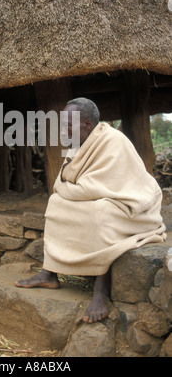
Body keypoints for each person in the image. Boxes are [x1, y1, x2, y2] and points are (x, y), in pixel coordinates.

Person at [15, 97, 166, 323]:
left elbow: (94, 187)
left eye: (68, 123)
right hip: (96, 198)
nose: (63, 129)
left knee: (100, 212)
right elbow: (63, 183)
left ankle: (101, 289)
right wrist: (71, 190)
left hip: (134, 205)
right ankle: (49, 273)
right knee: (56, 203)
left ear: (87, 124)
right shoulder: (77, 144)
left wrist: (71, 190)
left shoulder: (114, 141)